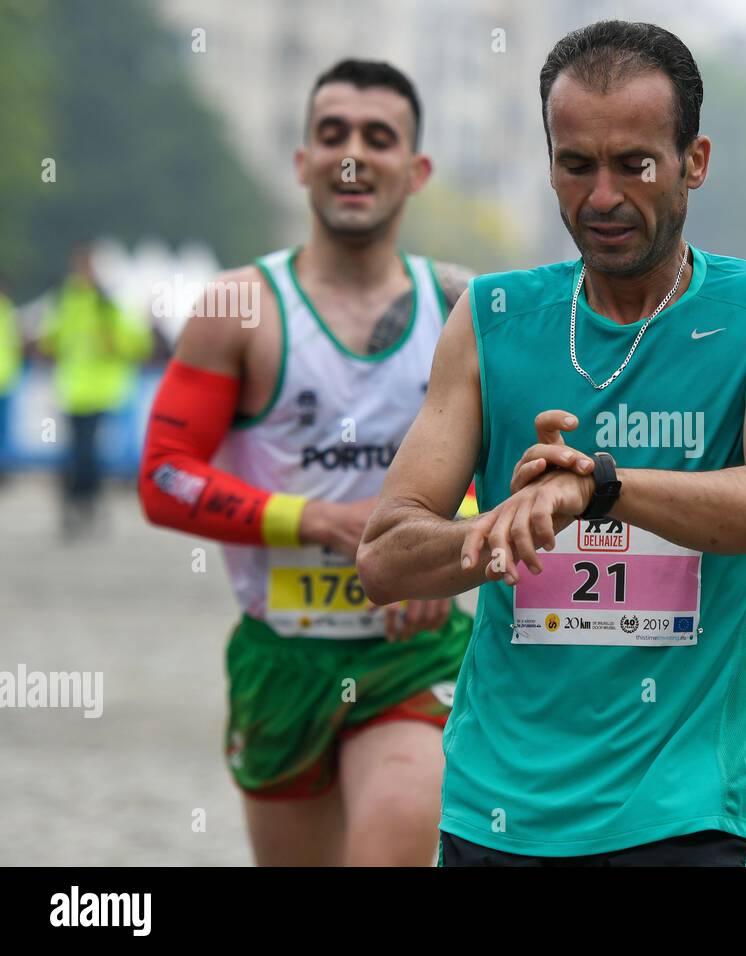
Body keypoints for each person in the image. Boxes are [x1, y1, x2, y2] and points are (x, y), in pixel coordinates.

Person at [357, 19, 746, 867]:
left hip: (684, 811)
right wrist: (502, 530)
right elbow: (386, 558)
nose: (603, 196)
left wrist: (600, 488)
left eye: (634, 164)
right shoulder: (493, 317)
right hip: (495, 809)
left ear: (694, 162)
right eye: (576, 165)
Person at [138, 59, 475, 866]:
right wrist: (320, 520)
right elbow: (162, 473)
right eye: (332, 135)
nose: (353, 155)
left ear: (417, 170)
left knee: (397, 831)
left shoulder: (463, 306)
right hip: (281, 652)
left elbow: (507, 473)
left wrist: (437, 551)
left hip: (413, 653)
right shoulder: (238, 308)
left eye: (379, 138)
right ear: (302, 162)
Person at [40, 247, 151, 537]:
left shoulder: (110, 304)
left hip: (101, 389)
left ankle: (84, 502)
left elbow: (136, 345)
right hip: (72, 388)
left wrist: (112, 342)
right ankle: (80, 503)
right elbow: (51, 340)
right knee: (78, 450)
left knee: (86, 450)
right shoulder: (66, 301)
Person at [0, 279, 21, 481]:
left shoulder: (7, 310)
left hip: (6, 378)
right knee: (4, 429)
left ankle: (3, 467)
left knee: (4, 429)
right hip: (6, 377)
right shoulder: (8, 310)